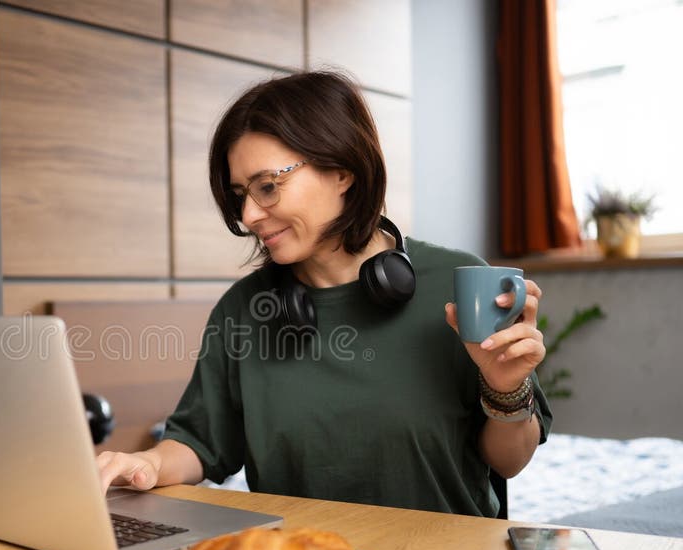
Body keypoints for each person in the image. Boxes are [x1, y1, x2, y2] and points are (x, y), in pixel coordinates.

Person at [97, 70, 551, 517]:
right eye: (240, 195)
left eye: (268, 186)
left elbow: (509, 461)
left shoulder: (462, 282)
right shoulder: (243, 311)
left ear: (342, 170)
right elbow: (198, 443)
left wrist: (505, 388)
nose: (250, 214)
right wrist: (147, 463)